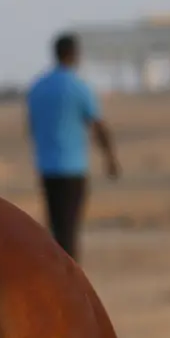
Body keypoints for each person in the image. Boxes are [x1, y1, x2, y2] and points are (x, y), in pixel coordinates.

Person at [26, 34, 119, 259]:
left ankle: (60, 273)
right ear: (74, 54)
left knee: (57, 226)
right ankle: (68, 280)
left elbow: (31, 126)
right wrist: (110, 159)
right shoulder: (78, 87)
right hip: (72, 168)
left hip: (47, 167)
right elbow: (98, 126)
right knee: (69, 230)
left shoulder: (38, 87)